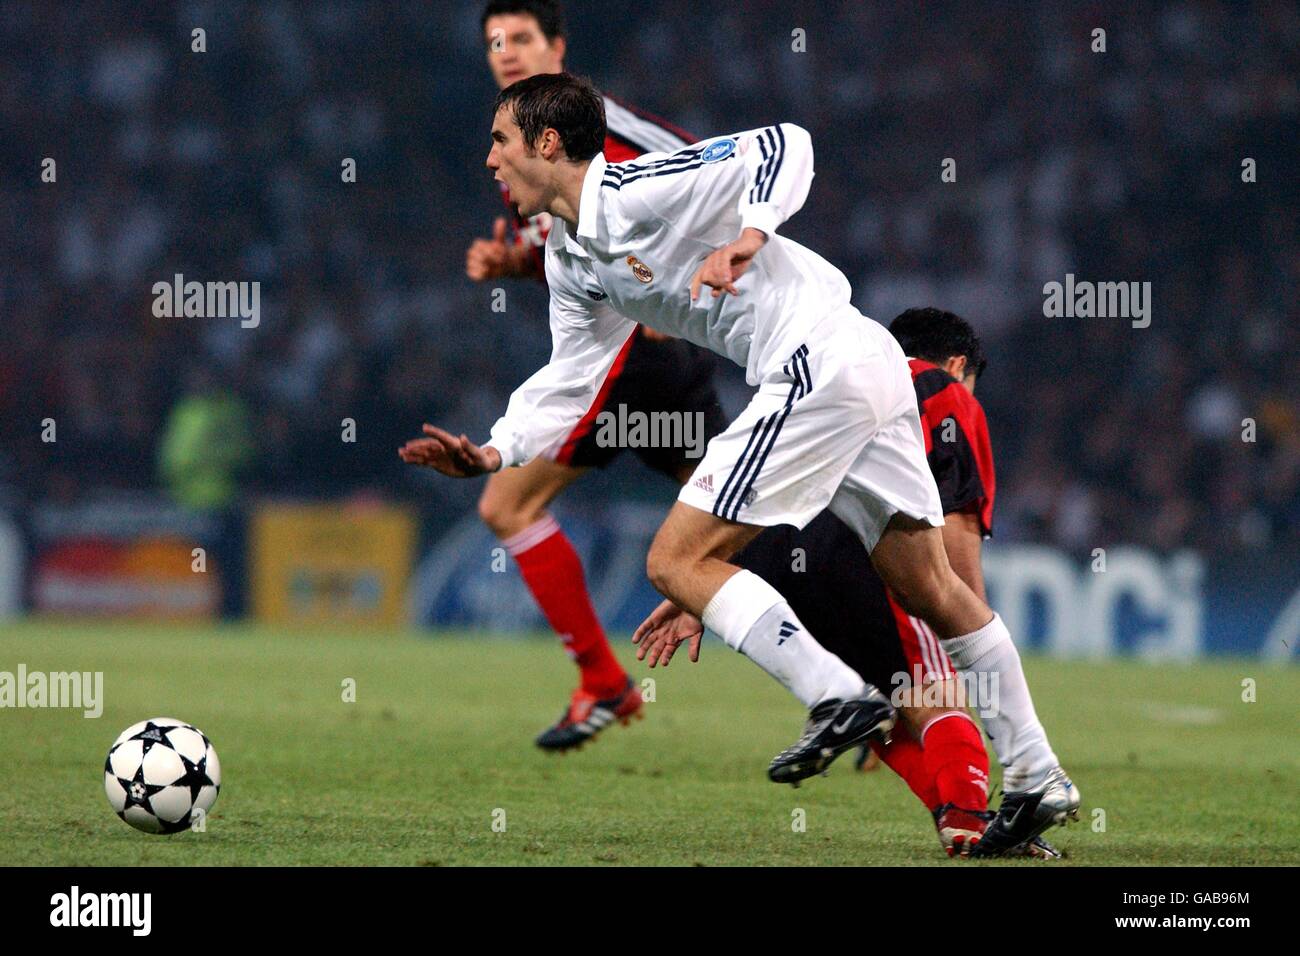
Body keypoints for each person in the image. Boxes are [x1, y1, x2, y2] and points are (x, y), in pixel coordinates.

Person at [400, 73, 1078, 854]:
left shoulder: (635, 189)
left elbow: (784, 144)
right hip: (861, 367)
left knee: (672, 558)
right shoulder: (571, 260)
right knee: (930, 587)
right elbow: (572, 377)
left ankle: (835, 696)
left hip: (819, 359)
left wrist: (750, 238)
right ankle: (1037, 776)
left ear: (548, 144)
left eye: (500, 140)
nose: (489, 159)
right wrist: (493, 450)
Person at [635, 307, 1059, 858]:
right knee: (932, 688)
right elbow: (954, 531)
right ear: (958, 365)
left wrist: (703, 585)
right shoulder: (941, 390)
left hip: (780, 550)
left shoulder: (827, 372)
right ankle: (972, 819)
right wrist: (965, 627)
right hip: (869, 545)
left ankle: (955, 812)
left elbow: (765, 481)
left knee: (873, 698)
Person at [466, 1, 727, 752]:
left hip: (633, 356)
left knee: (507, 505)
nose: (508, 52)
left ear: (559, 46)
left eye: (523, 38)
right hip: (638, 359)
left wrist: (683, 284)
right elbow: (573, 253)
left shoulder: (612, 127)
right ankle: (882, 690)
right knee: (750, 521)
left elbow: (707, 178)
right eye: (495, 42)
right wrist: (515, 262)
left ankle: (604, 682)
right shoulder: (519, 143)